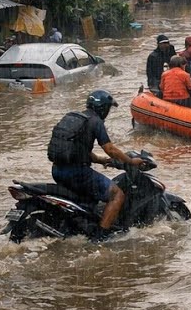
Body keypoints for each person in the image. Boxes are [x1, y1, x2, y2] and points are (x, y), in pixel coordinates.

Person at [47, 90, 144, 241]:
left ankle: (84, 224)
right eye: (108, 109)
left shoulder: (76, 118)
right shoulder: (95, 121)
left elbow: (78, 149)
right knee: (117, 194)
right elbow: (110, 149)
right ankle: (101, 237)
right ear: (103, 108)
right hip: (77, 173)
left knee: (91, 198)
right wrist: (131, 161)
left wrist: (101, 160)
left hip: (58, 170)